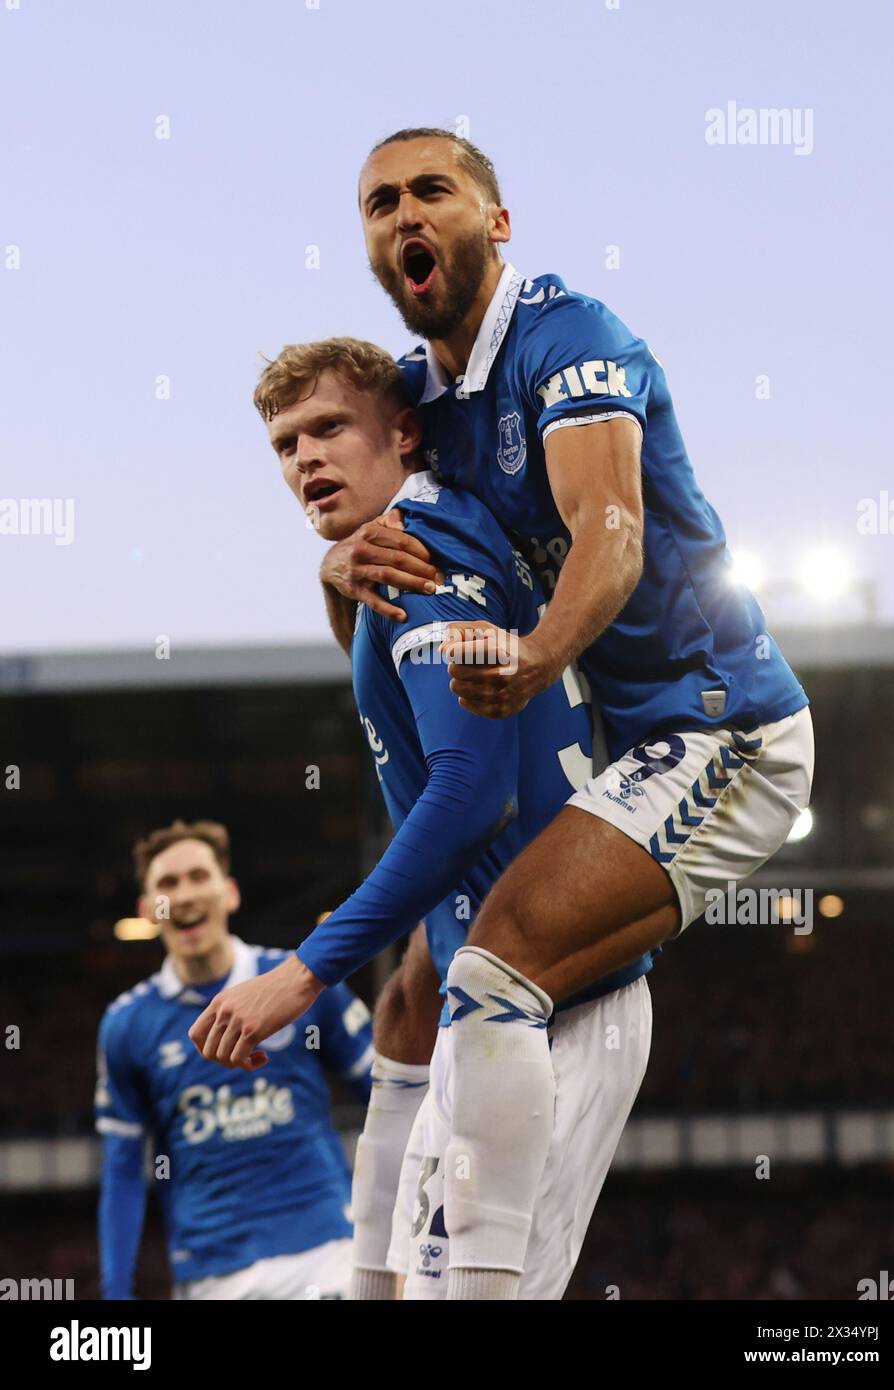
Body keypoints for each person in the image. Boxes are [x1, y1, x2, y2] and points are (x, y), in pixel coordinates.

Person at [312, 127, 814, 1300]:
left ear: (494, 222)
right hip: (609, 747)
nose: (403, 215)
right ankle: (375, 1283)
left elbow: (612, 532)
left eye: (431, 190)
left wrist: (534, 656)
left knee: (490, 970)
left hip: (716, 731)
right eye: (379, 202)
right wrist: (338, 570)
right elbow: (381, 609)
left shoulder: (568, 337)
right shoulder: (418, 402)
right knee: (414, 990)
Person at [190, 339, 654, 1300]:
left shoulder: (420, 551)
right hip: (492, 1001)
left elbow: (472, 795)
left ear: (404, 433)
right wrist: (332, 577)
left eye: (328, 429)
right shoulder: (408, 541)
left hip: (549, 1008)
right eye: (285, 444)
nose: (305, 459)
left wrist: (302, 974)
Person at [95, 818, 373, 1300]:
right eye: (167, 884)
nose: (183, 896)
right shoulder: (126, 1024)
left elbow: (389, 1091)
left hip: (327, 1255)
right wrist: (116, 1293)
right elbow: (123, 1168)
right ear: (147, 909)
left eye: (199, 877)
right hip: (212, 1275)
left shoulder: (301, 983)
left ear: (230, 893)